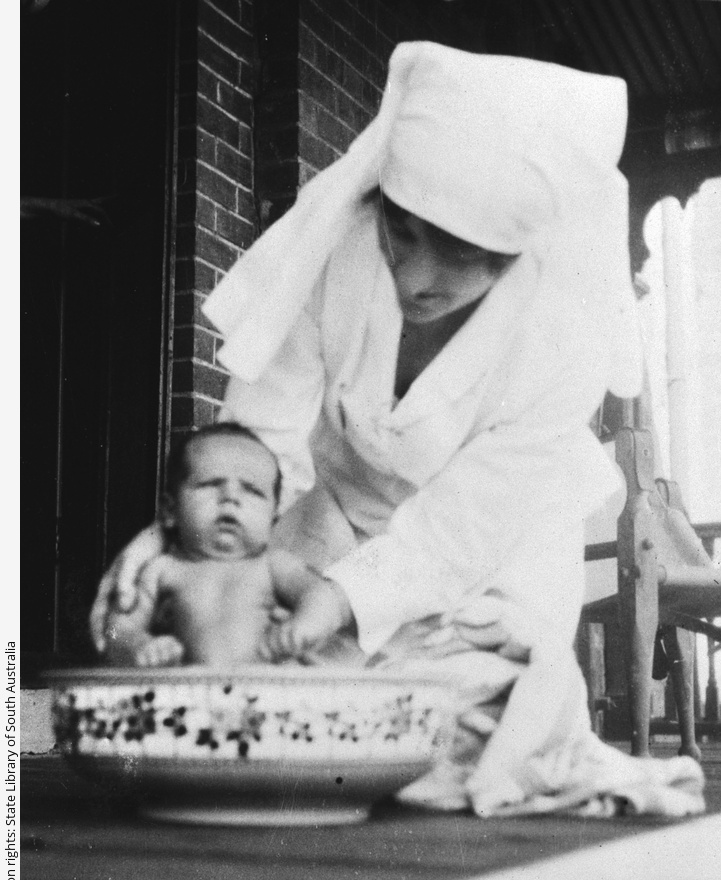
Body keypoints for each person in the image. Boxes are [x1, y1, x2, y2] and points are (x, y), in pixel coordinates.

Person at [92, 42, 704, 816]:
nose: (416, 277)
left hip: (491, 556)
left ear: (522, 250)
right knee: (229, 655)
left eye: (462, 255)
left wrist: (339, 603)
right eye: (403, 233)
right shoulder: (333, 254)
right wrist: (182, 541)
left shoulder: (564, 337)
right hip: (328, 522)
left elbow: (454, 533)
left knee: (477, 723)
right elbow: (264, 444)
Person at [103, 423, 359, 668]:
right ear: (170, 509)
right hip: (187, 699)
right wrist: (139, 646)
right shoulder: (162, 570)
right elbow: (116, 629)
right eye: (211, 484)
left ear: (274, 517)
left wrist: (305, 625)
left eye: (252, 490)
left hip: (264, 698)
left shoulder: (272, 566)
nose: (231, 498)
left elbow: (323, 595)